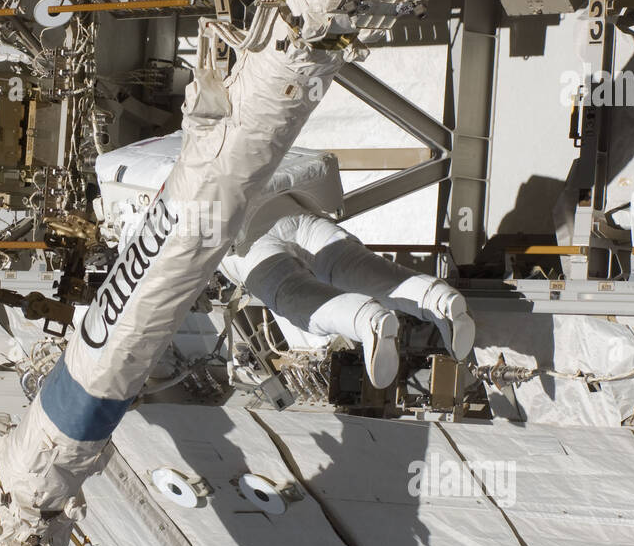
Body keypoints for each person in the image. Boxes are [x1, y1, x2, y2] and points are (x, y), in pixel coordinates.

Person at [96, 133, 474, 388]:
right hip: (290, 206)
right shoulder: (184, 141)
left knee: (298, 298)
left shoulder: (126, 197)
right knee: (355, 265)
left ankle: (368, 321)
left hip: (247, 246)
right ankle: (438, 299)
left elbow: (151, 263)